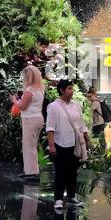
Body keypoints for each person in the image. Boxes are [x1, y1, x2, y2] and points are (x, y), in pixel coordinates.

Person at [45, 79, 90, 212]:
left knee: (72, 172)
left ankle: (71, 196)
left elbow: (81, 124)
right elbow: (50, 128)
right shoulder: (53, 107)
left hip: (75, 143)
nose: (72, 91)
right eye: (69, 88)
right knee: (61, 172)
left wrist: (86, 138)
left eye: (72, 88)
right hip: (60, 143)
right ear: (62, 90)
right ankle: (58, 199)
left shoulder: (76, 105)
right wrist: (51, 145)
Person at [14, 65, 46, 182]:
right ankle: (32, 171)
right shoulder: (40, 89)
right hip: (38, 118)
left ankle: (31, 173)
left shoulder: (29, 90)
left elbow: (22, 106)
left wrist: (14, 100)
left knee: (28, 146)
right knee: (32, 145)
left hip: (29, 119)